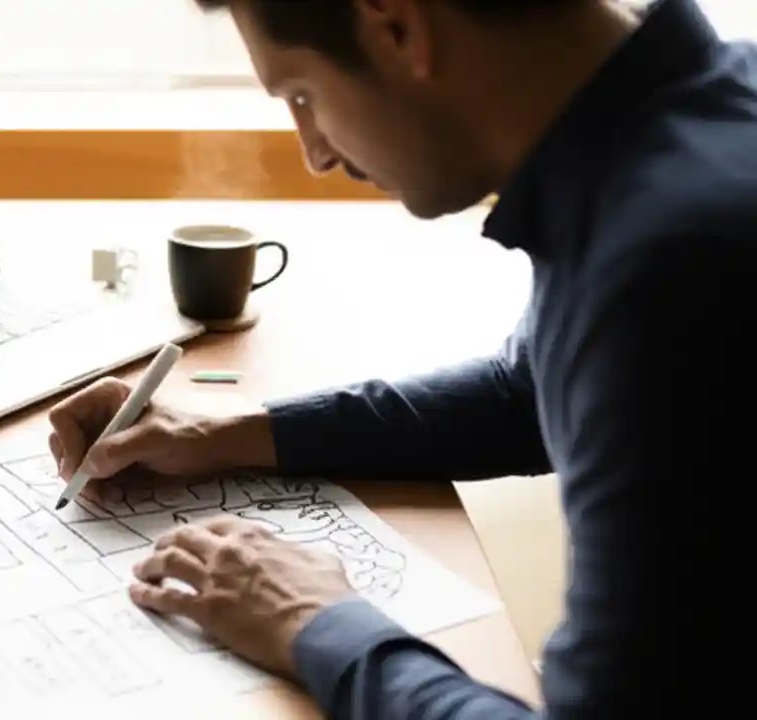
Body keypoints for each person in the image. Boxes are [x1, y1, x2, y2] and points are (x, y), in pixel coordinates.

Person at [46, 0, 750, 717]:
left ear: (397, 27)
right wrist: (224, 433)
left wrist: (316, 623)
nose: (315, 151)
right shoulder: (688, 129)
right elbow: (527, 392)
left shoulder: (674, 266)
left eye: (300, 93)